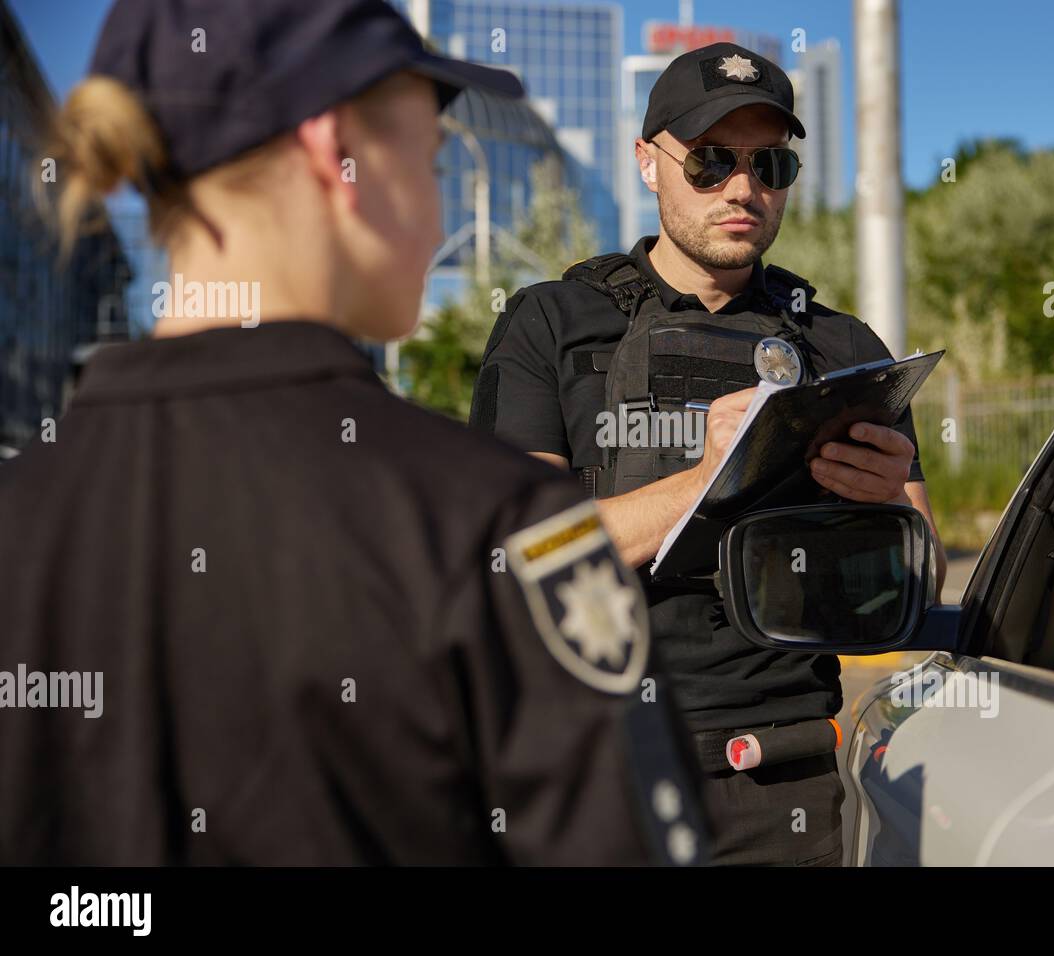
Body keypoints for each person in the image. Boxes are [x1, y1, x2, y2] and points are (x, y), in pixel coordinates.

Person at [0, 0, 706, 866]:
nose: (442, 198)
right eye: (433, 154)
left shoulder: (22, 513)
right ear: (333, 154)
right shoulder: (499, 525)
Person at [470, 42, 947, 866]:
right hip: (592, 772)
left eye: (769, 164)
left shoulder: (843, 346)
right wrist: (705, 479)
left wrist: (883, 507)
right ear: (647, 163)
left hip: (783, 779)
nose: (742, 187)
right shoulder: (550, 323)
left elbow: (923, 568)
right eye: (711, 160)